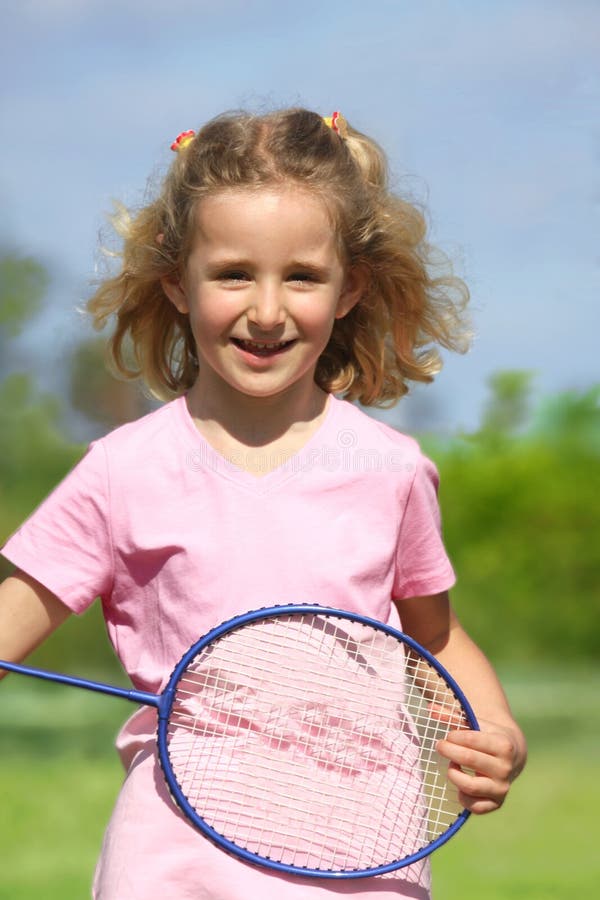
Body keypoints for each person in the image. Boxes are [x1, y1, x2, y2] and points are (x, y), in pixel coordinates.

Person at [0, 108, 526, 899]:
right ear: (177, 281)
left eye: (303, 277)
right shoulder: (121, 471)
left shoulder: (391, 469)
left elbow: (436, 638)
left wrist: (495, 733)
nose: (269, 310)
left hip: (362, 862)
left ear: (351, 290)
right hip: (176, 864)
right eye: (234, 273)